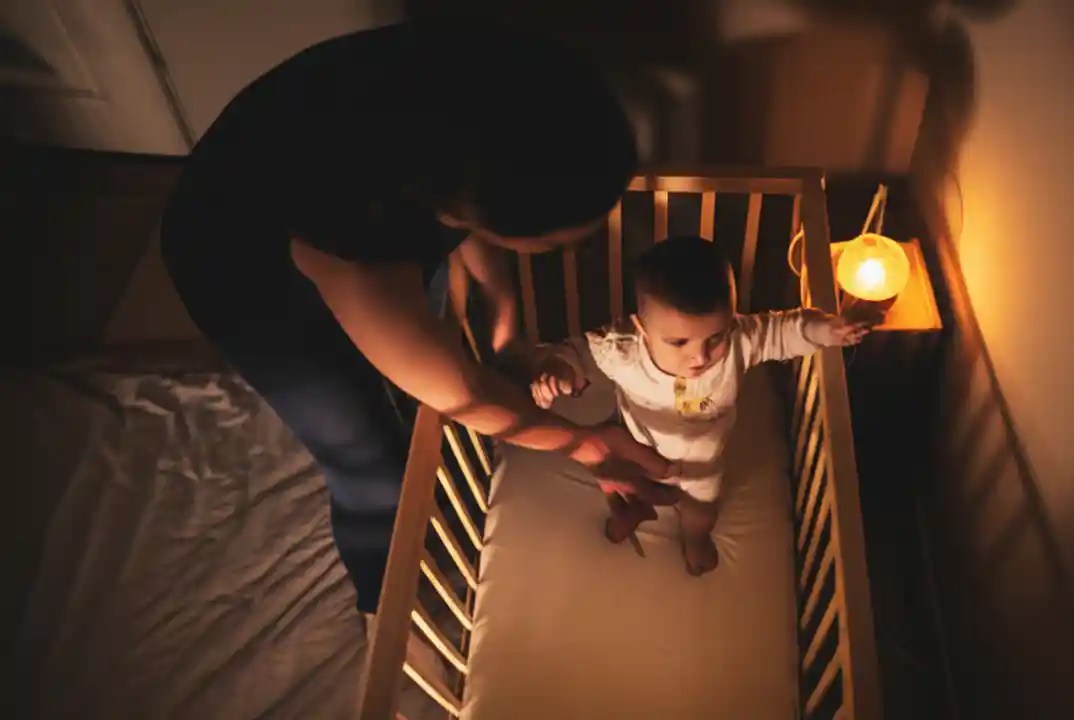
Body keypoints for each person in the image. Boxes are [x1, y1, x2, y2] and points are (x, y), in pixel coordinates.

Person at [160, 17, 680, 626]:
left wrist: (507, 329)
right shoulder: (355, 230)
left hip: (346, 190)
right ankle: (382, 612)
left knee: (423, 346)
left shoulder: (492, 91)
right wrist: (588, 445)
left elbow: (469, 228)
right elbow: (460, 395)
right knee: (371, 464)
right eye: (553, 245)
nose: (574, 251)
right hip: (239, 263)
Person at [530, 236, 877, 576]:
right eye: (678, 342)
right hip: (634, 441)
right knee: (617, 480)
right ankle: (629, 512)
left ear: (732, 319)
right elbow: (578, 352)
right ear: (641, 327)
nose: (699, 356)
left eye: (716, 337)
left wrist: (829, 329)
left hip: (701, 459)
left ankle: (694, 540)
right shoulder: (623, 349)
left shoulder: (742, 339)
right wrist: (559, 370)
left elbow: (786, 330)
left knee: (700, 512)